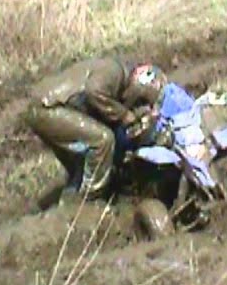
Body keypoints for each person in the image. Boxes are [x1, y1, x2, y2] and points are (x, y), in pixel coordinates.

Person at [23, 57, 170, 204]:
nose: (138, 106)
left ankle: (67, 208)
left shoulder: (115, 77)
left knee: (82, 167)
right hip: (49, 107)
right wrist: (124, 115)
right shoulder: (115, 70)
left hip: (45, 106)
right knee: (102, 141)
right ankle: (89, 203)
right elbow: (94, 92)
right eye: (141, 101)